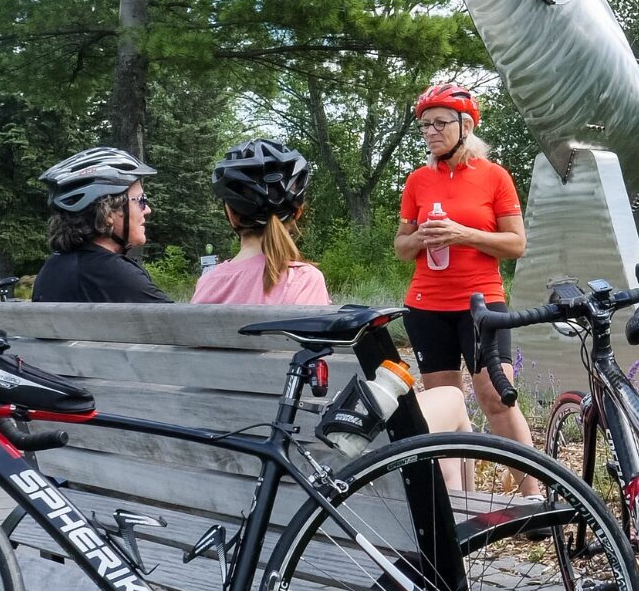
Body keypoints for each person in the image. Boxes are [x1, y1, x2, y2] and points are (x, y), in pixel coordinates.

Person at [194, 137, 474, 489]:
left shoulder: (208, 284)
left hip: (229, 446)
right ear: (299, 211)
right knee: (452, 398)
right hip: (311, 452)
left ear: (230, 213)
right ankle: (457, 518)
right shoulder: (302, 280)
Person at [394, 83, 539, 496]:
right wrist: (421, 237)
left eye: (440, 123)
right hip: (426, 306)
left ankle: (534, 497)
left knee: (497, 398)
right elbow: (401, 248)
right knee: (446, 403)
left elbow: (516, 244)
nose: (431, 132)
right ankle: (461, 500)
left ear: (466, 126)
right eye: (425, 125)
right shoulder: (418, 180)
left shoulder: (494, 176)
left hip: (481, 304)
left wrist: (463, 234)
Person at [33, 146, 170, 303]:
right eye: (140, 200)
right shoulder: (114, 274)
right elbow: (180, 319)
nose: (147, 209)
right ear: (108, 212)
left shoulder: (52, 267)